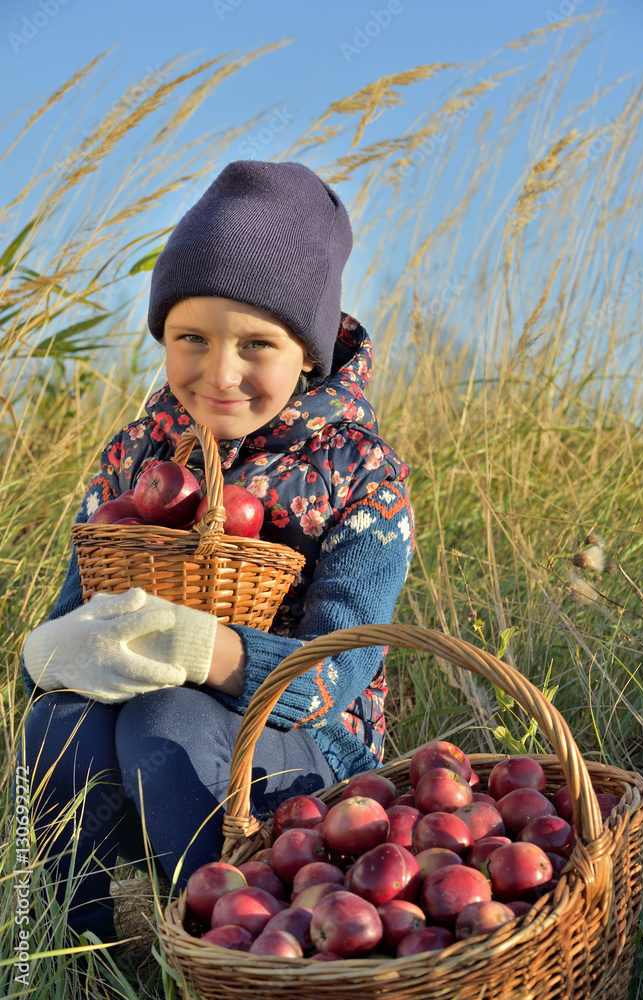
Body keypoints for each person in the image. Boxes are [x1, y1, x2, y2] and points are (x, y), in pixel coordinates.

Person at [21, 160, 415, 942]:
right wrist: (55, 653)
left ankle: (235, 944)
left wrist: (205, 650)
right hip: (133, 712)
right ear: (162, 335)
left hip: (307, 750)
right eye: (191, 337)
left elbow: (341, 666)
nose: (220, 371)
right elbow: (80, 606)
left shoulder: (360, 471)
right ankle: (78, 947)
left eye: (257, 344)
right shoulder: (135, 458)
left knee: (164, 720)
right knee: (55, 724)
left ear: (308, 351)